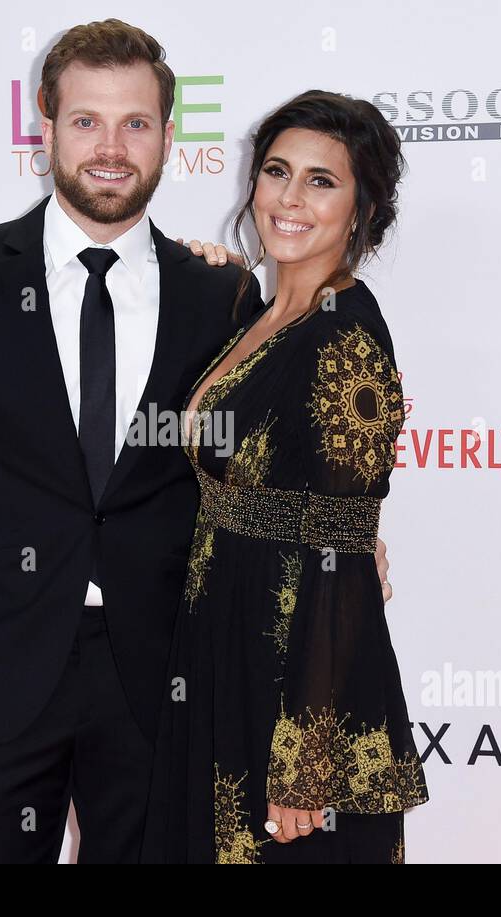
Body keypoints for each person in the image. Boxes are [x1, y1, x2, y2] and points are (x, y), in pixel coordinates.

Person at [0, 20, 392, 863]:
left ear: (169, 137)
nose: (111, 147)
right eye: (87, 121)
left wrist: (354, 541)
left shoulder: (223, 294)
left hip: (171, 679)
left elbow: (284, 449)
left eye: (136, 123)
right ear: (46, 128)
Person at [142, 90, 430, 864]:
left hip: (293, 693)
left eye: (321, 181)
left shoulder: (347, 336)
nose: (290, 198)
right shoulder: (257, 314)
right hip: (219, 651)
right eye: (276, 172)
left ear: (363, 208)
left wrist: (306, 762)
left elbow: (340, 558)